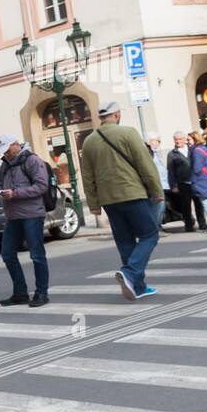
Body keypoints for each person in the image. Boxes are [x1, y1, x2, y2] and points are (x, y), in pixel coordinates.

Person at [80, 102, 164, 300]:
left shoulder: (89, 141)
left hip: (108, 200)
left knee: (125, 241)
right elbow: (145, 164)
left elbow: (87, 175)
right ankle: (130, 273)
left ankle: (138, 286)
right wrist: (156, 189)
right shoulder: (128, 133)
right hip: (132, 193)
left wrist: (93, 204)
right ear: (117, 114)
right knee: (149, 235)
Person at [0, 133, 51, 307]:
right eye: (3, 151)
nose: (6, 154)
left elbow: (42, 186)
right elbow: (1, 185)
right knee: (8, 254)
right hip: (13, 216)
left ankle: (41, 293)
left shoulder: (32, 160)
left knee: (37, 255)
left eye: (8, 150)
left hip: (32, 214)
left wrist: (15, 193)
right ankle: (20, 293)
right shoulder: (5, 165)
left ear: (16, 145)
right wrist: (0, 193)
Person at [167, 132, 203, 231]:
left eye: (180, 139)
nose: (178, 141)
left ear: (184, 139)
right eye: (176, 139)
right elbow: (170, 171)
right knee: (186, 207)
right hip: (182, 183)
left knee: (199, 204)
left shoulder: (192, 150)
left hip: (195, 182)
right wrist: (173, 185)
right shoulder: (172, 154)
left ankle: (202, 224)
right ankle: (189, 226)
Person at [147, 132, 170, 231]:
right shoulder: (148, 152)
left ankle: (157, 225)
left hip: (163, 183)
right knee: (158, 206)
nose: (159, 143)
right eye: (158, 141)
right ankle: (155, 227)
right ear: (150, 141)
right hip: (156, 184)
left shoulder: (155, 152)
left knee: (160, 206)